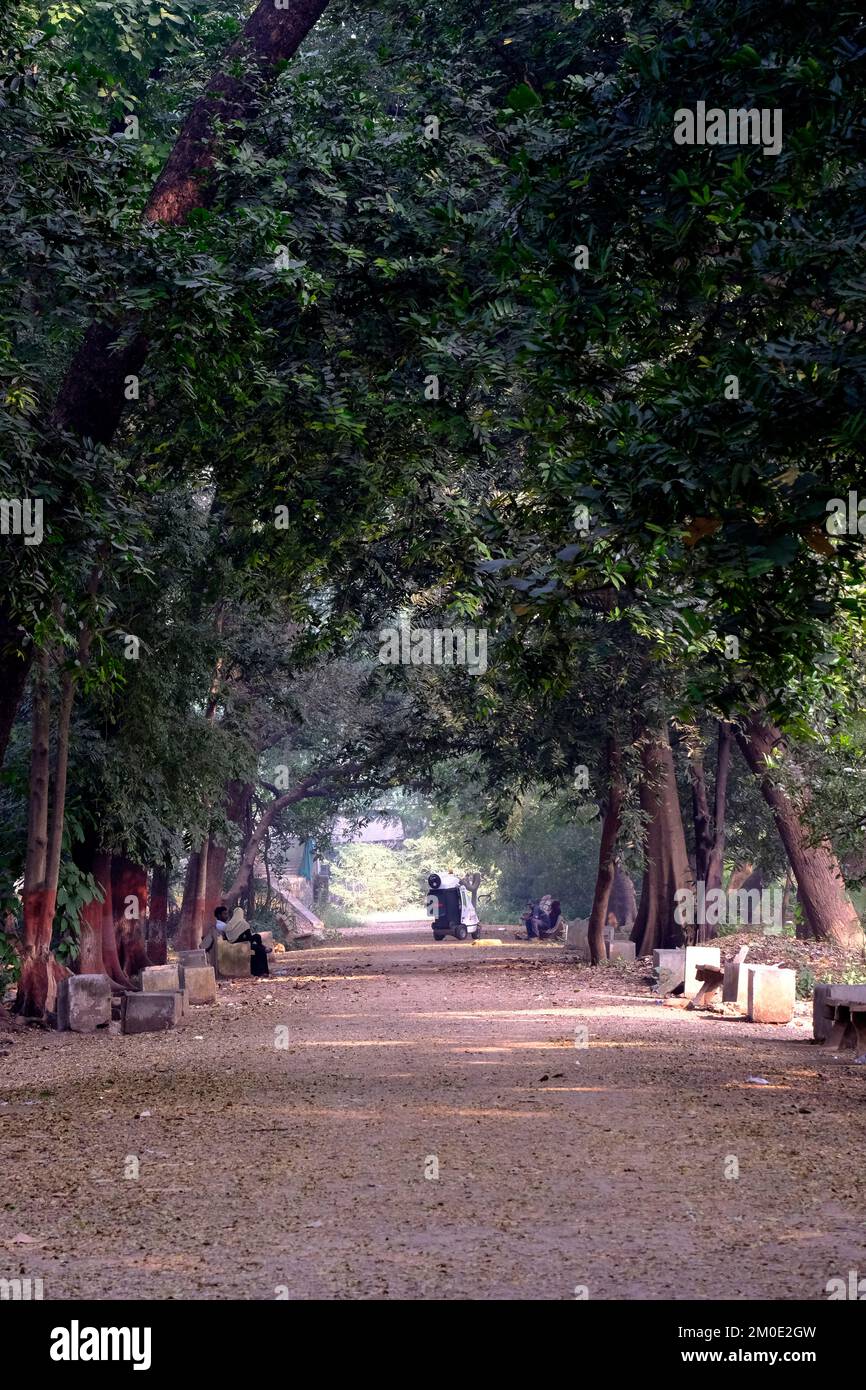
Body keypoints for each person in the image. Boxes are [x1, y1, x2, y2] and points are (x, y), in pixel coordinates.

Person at [225, 905, 269, 977]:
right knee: (259, 947)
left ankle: (262, 947)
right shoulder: (243, 923)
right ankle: (262, 971)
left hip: (233, 943)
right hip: (242, 944)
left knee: (257, 942)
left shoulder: (229, 924)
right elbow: (248, 937)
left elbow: (229, 936)